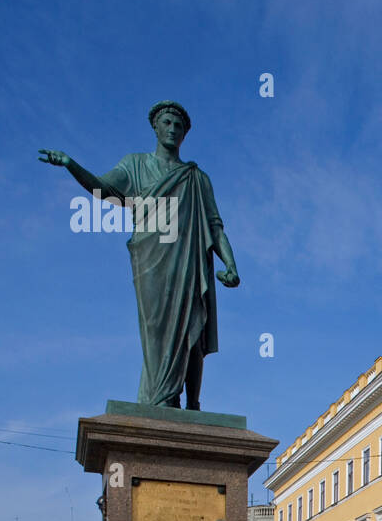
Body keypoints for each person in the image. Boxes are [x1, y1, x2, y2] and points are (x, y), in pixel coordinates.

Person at [39, 101, 240, 410]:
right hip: (151, 260)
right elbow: (103, 189)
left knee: (191, 329)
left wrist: (231, 264)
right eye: (167, 123)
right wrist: (71, 164)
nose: (173, 129)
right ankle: (160, 399)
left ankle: (190, 404)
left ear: (185, 133)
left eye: (179, 126)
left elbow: (214, 227)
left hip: (188, 259)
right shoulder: (135, 165)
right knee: (157, 330)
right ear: (155, 128)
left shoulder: (197, 179)